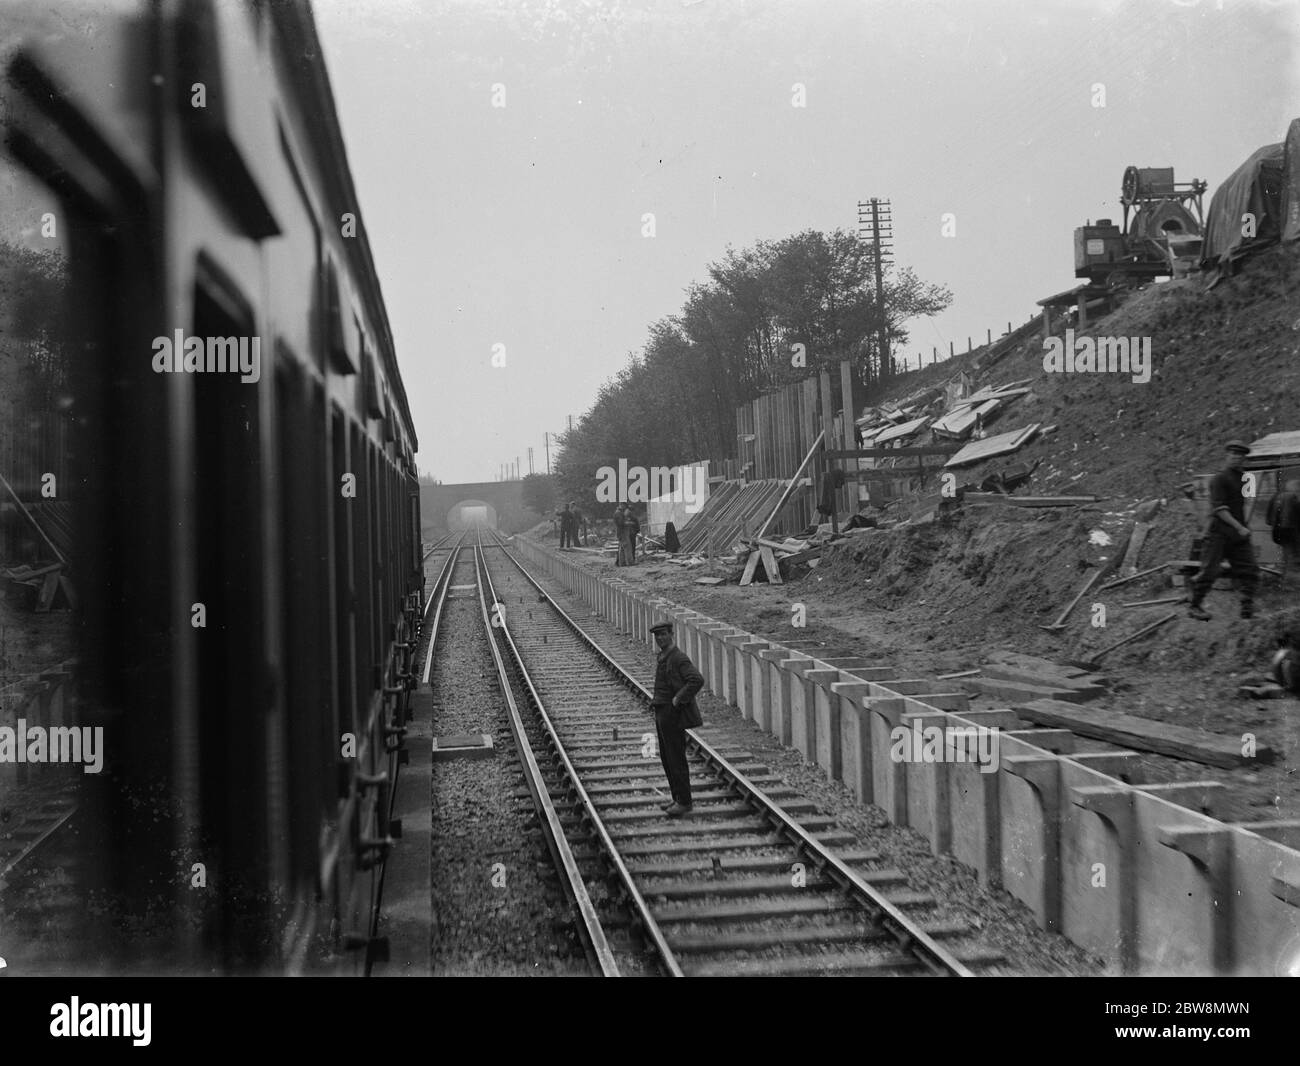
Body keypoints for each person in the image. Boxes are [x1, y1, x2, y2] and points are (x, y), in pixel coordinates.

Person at [1189, 440, 1259, 621]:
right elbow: (1219, 510)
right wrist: (1240, 527)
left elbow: (1248, 502)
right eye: (1233, 454)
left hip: (1238, 535)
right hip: (1218, 533)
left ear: (1244, 458)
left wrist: (1245, 525)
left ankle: (1247, 610)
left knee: (1250, 570)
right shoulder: (1219, 479)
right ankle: (1195, 606)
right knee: (1209, 571)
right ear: (1227, 455)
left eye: (1240, 455)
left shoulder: (1245, 477)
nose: (1236, 457)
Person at [649, 621, 704, 817]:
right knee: (667, 758)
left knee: (676, 758)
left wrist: (678, 699)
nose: (660, 638)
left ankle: (684, 802)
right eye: (657, 636)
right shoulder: (663, 656)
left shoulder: (678, 657)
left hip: (672, 714)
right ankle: (676, 798)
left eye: (663, 634)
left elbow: (697, 680)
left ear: (672, 634)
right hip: (662, 712)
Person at [1265, 477, 1300, 582]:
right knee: (1293, 554)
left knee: (1286, 552)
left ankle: (1283, 575)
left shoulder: (1275, 497)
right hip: (1292, 530)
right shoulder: (1295, 498)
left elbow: (1268, 519)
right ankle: (1289, 579)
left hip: (1278, 530)